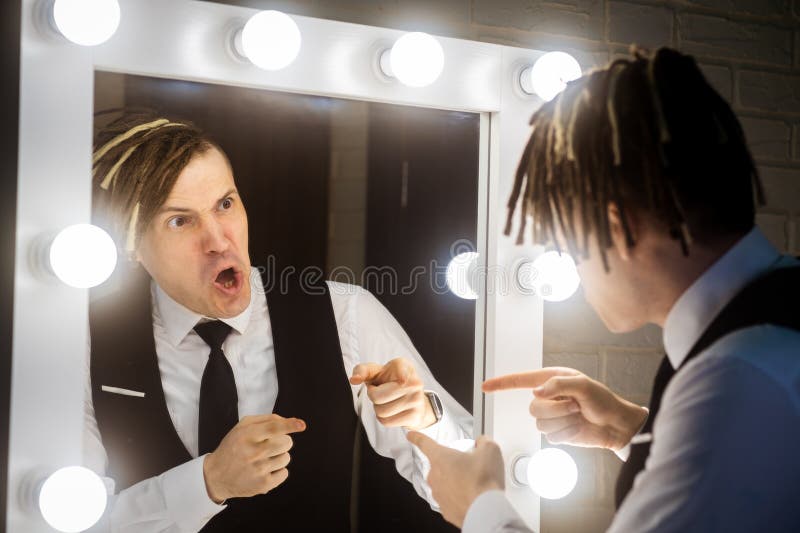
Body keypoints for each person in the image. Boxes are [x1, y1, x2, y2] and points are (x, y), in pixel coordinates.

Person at [408, 47, 800, 532]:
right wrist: (631, 429)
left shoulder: (735, 383)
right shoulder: (776, 323)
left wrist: (481, 507)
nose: (570, 266)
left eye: (565, 244)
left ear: (617, 226)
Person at [84, 112, 472, 532]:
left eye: (225, 204)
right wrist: (207, 483)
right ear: (132, 244)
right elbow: (63, 523)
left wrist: (426, 422)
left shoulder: (345, 313)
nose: (218, 241)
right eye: (180, 220)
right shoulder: (87, 340)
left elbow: (469, 494)